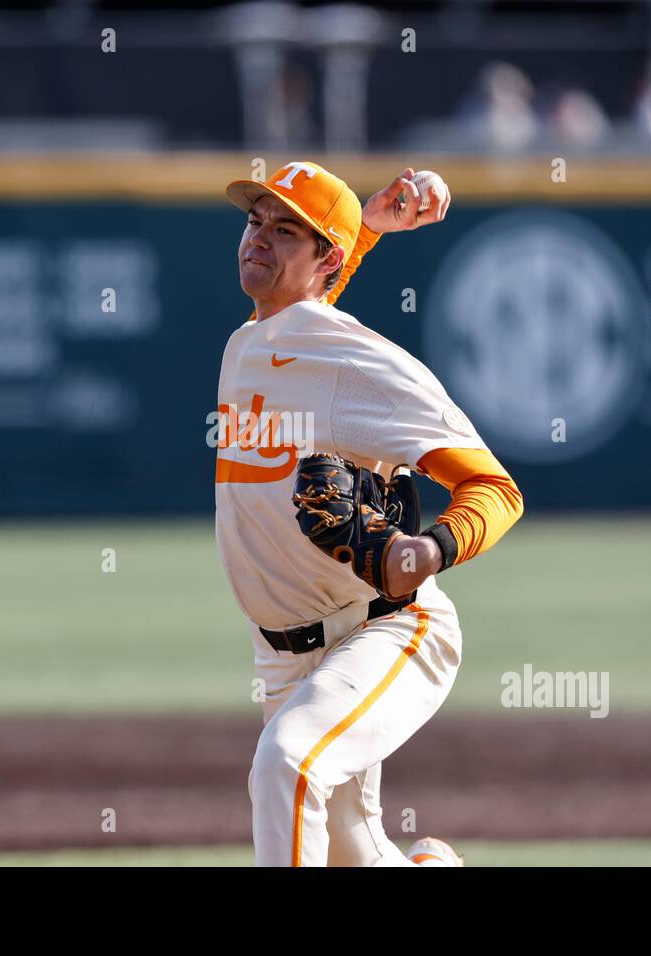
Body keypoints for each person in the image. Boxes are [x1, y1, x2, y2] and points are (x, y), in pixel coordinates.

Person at [215, 161, 524, 865]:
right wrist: (367, 228)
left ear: (324, 256)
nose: (258, 238)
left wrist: (434, 548)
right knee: (355, 855)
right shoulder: (252, 339)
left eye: (285, 229)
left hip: (386, 632)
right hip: (285, 651)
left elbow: (497, 491)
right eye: (255, 221)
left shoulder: (363, 363)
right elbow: (305, 315)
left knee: (284, 764)